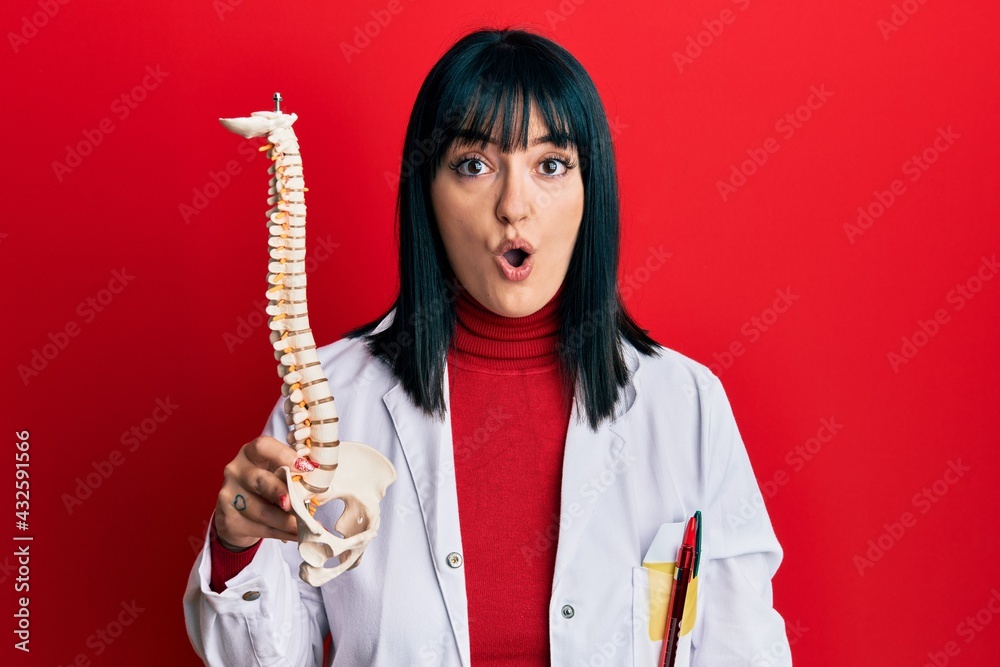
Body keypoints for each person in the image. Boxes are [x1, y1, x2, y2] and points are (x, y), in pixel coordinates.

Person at [183, 26, 792, 667]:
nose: (514, 205)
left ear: (592, 193)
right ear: (428, 193)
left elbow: (742, 649)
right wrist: (236, 548)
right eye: (474, 165)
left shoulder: (685, 406)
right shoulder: (330, 402)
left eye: (550, 165)